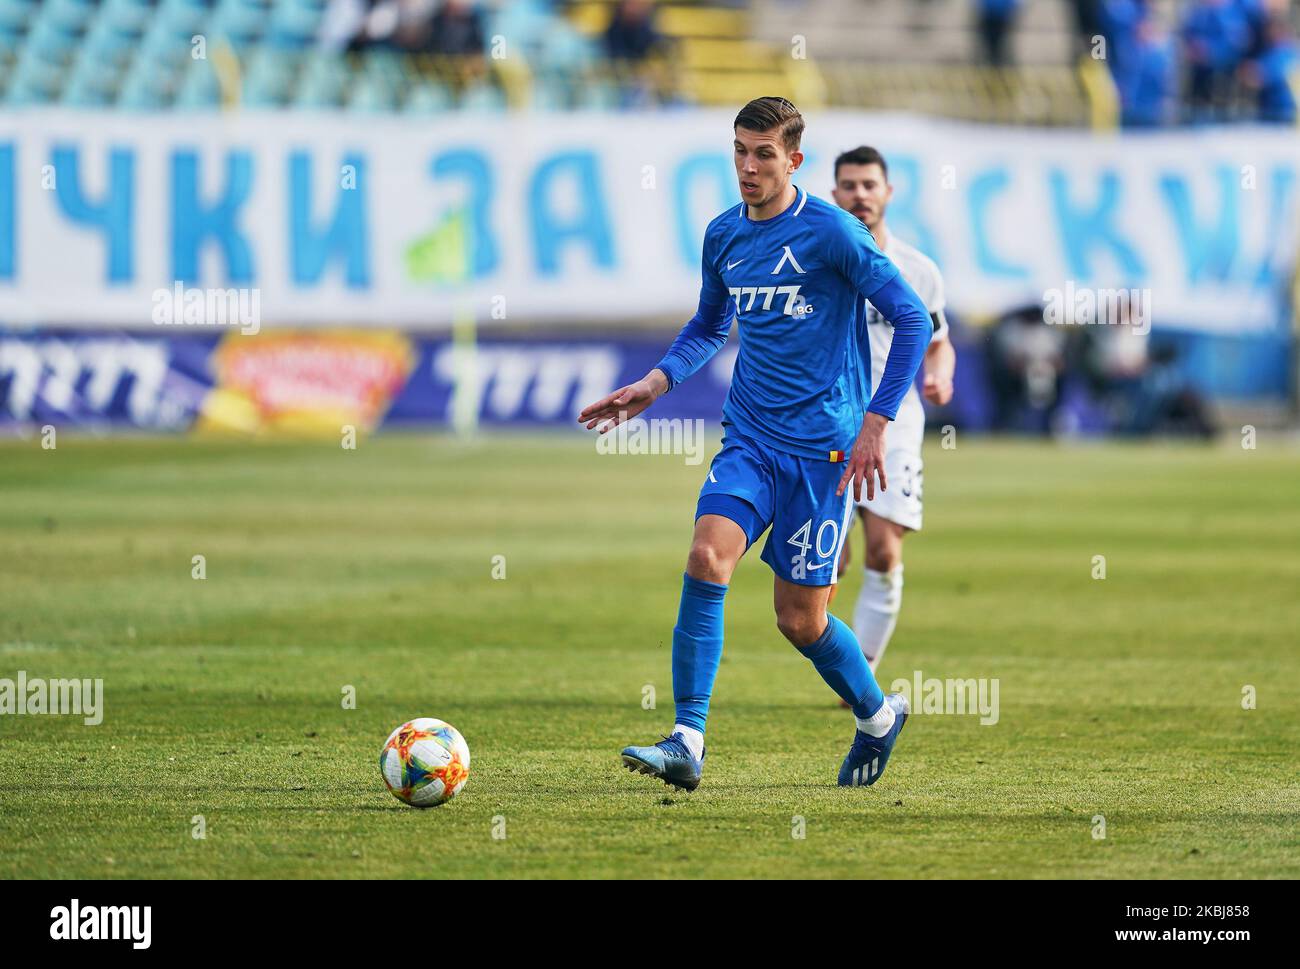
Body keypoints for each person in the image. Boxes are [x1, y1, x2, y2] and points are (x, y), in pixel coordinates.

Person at [577, 97, 932, 791]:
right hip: (751, 439)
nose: (747, 165)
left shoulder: (833, 234)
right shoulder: (723, 235)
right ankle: (687, 738)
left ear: (793, 159)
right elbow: (710, 323)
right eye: (739, 150)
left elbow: (912, 320)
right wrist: (657, 382)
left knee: (800, 620)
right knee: (707, 555)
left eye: (763, 153)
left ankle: (876, 717)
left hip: (824, 452)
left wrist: (876, 421)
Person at [828, 147, 955, 676]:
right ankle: (833, 656)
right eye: (850, 185)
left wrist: (941, 372)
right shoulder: (822, 262)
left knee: (882, 551)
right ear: (834, 193)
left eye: (869, 185)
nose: (860, 194)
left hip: (894, 425)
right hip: (830, 420)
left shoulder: (918, 270)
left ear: (887, 193)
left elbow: (938, 340)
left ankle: (863, 670)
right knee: (827, 559)